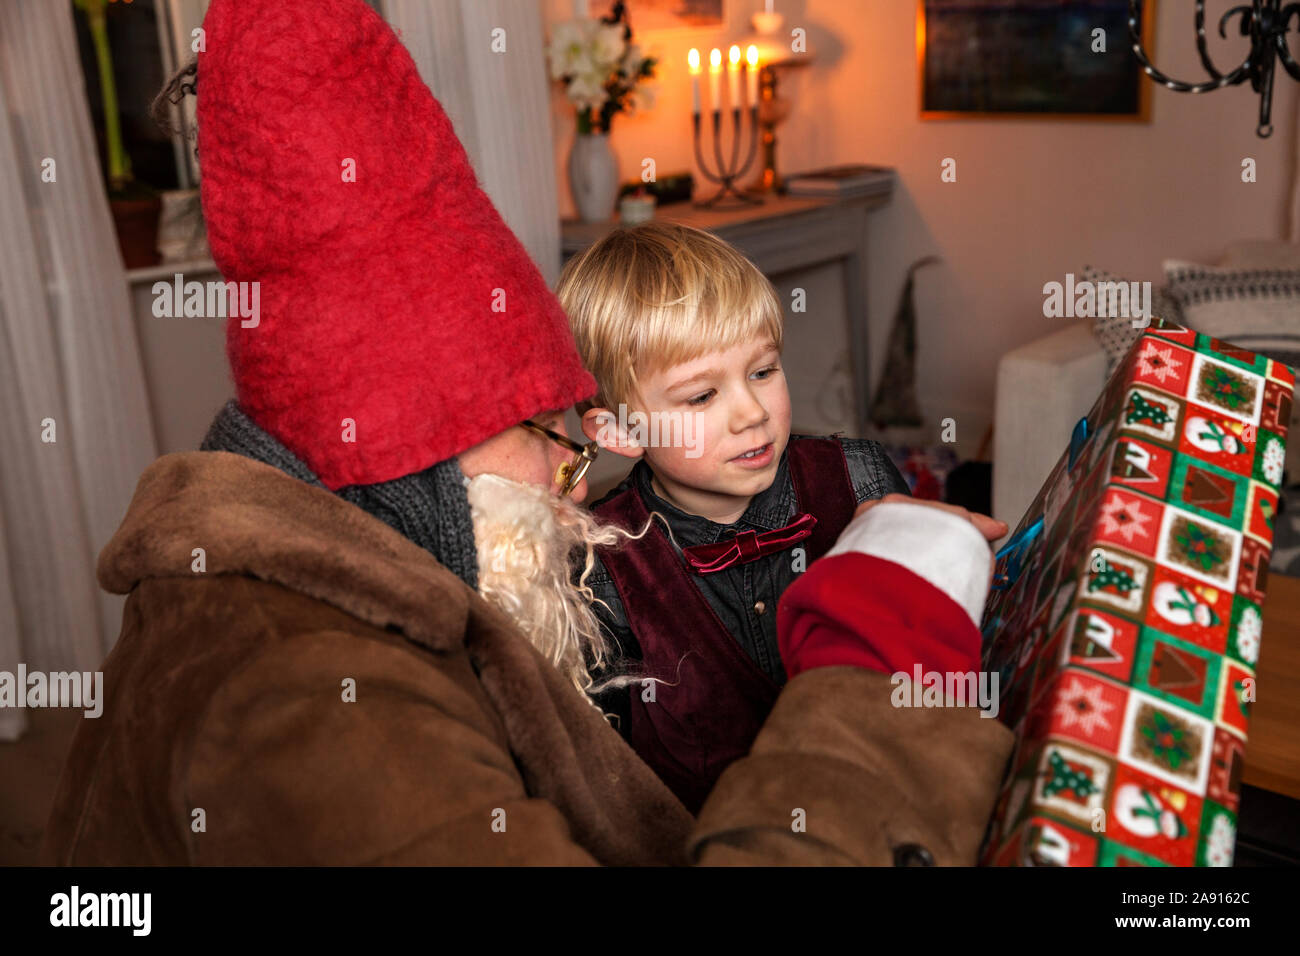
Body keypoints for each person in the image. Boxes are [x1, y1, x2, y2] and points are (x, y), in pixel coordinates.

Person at [43, 0, 1012, 866]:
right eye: (551, 427)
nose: (575, 475)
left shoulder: (337, 575)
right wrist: (877, 655)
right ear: (428, 442)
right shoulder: (309, 699)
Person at [557, 222, 913, 812]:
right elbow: (606, 779)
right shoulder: (600, 567)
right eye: (702, 396)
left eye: (763, 371)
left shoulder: (860, 480)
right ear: (620, 431)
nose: (752, 413)